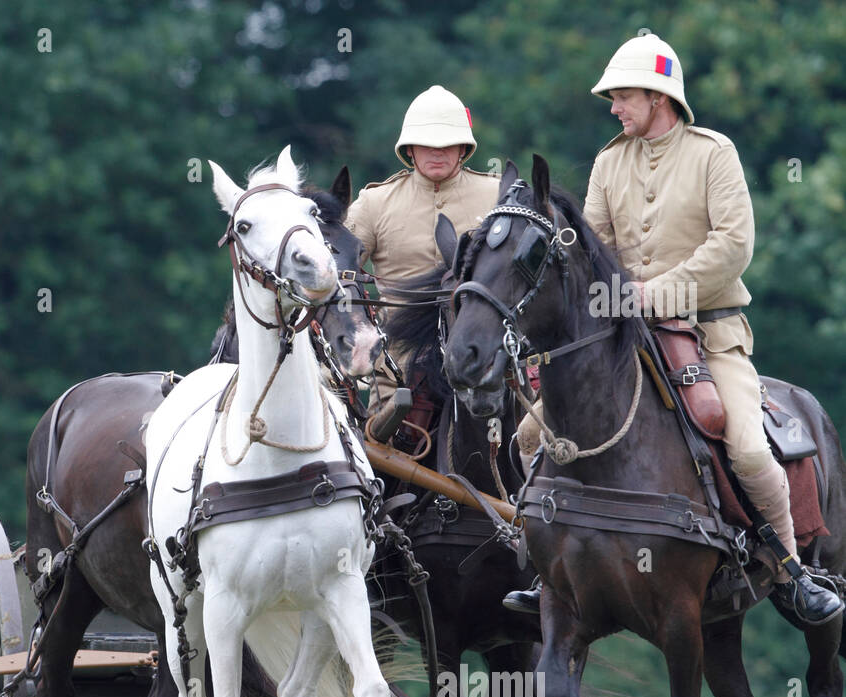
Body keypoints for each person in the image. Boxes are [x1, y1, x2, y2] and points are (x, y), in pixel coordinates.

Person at [504, 33, 843, 625]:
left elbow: (733, 247)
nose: (614, 108)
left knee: (745, 445)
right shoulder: (610, 161)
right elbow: (593, 250)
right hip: (619, 337)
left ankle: (792, 571)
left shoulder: (714, 154)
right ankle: (546, 573)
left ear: (659, 96)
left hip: (710, 334)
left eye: (624, 97)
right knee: (531, 437)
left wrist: (652, 294)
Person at [346, 85, 499, 425]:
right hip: (397, 368)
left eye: (447, 144)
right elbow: (338, 272)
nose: (437, 152)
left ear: (464, 148)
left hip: (482, 361)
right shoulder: (374, 204)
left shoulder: (498, 197)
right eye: (427, 143)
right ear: (409, 149)